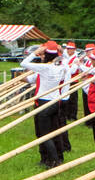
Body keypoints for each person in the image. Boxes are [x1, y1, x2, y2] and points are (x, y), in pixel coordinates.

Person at [18, 41, 68, 169]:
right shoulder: (61, 67)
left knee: (45, 134)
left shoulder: (46, 68)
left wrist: (34, 53)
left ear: (45, 55)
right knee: (51, 132)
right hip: (55, 102)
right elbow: (66, 60)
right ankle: (51, 159)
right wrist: (62, 52)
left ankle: (55, 161)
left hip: (44, 102)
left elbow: (23, 63)